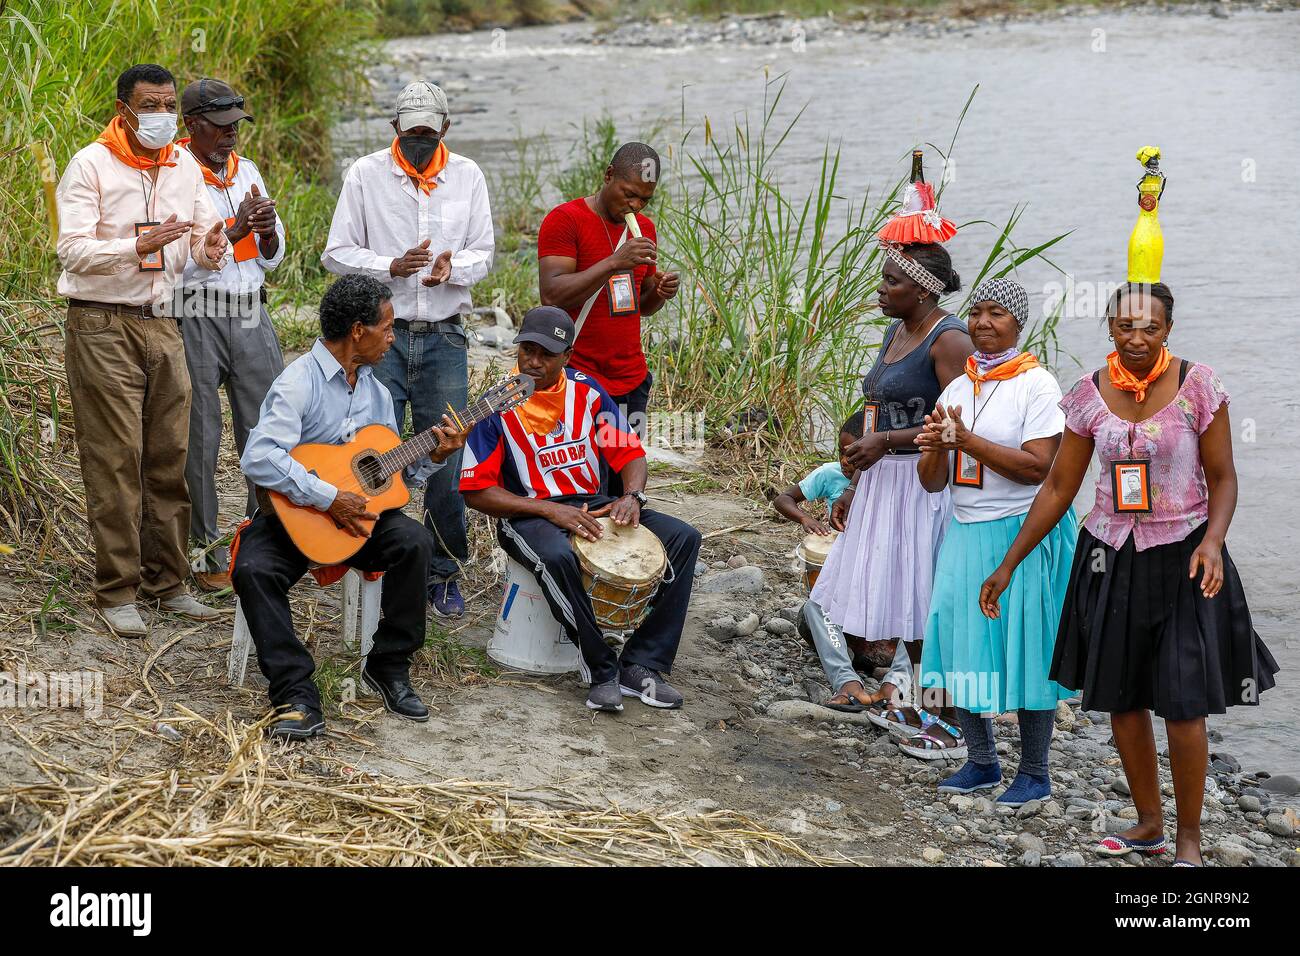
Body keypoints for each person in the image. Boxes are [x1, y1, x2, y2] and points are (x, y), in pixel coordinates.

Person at [979, 282, 1278, 866]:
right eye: (1125, 327)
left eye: (1151, 328)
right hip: (1109, 554)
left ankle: (1188, 840)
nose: (1137, 338)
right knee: (1122, 698)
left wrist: (1214, 542)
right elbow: (1062, 486)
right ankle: (1149, 822)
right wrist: (1009, 562)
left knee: (1184, 703)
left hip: (1186, 554)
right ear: (1110, 327)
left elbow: (1223, 477)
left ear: (1169, 330)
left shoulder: (1198, 387)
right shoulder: (1089, 394)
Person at [233, 275, 465, 740]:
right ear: (358, 330)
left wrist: (434, 459)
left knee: (414, 542)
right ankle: (295, 694)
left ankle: (389, 666)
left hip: (358, 522)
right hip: (294, 519)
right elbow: (258, 457)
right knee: (253, 569)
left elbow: (388, 481)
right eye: (387, 327)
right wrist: (326, 497)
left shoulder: (377, 392)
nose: (393, 337)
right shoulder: (298, 382)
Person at [55, 63, 228, 636]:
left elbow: (204, 245)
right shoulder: (91, 163)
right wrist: (137, 245)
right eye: (149, 105)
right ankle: (117, 589)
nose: (160, 115)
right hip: (102, 323)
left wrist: (211, 247)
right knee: (113, 458)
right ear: (125, 108)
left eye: (167, 105)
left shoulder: (184, 165)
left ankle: (167, 581)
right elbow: (73, 251)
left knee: (166, 456)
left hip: (163, 322)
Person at [460, 306, 701, 713]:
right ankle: (602, 667)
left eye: (546, 354)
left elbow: (630, 455)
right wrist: (549, 512)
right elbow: (475, 492)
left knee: (683, 537)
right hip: (529, 515)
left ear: (568, 356)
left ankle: (642, 664)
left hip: (594, 506)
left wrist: (631, 497)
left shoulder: (588, 392)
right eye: (527, 351)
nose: (534, 362)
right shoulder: (495, 405)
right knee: (557, 555)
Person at [322, 80, 494, 619]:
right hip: (381, 338)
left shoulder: (467, 175)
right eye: (410, 131)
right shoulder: (366, 174)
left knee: (447, 451)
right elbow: (336, 252)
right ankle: (373, 559)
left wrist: (452, 269)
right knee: (377, 448)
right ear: (395, 128)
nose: (418, 139)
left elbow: (483, 252)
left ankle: (443, 571)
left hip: (444, 333)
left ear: (444, 128)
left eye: (428, 131)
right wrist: (388, 266)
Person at [912, 279, 1076, 794]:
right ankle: (982, 761)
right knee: (960, 640)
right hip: (964, 528)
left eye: (997, 313)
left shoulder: (1037, 385)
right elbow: (933, 481)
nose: (984, 322)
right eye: (977, 312)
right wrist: (938, 445)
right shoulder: (958, 388)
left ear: (1017, 323)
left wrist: (966, 439)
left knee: (1025, 646)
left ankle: (1035, 772)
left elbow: (1038, 468)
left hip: (1020, 531)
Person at [808, 241, 972, 724]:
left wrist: (887, 441)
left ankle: (940, 714)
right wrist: (855, 484)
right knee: (898, 592)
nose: (881, 289)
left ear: (923, 291)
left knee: (923, 597)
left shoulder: (949, 340)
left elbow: (959, 425)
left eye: (892, 282)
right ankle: (919, 704)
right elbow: (876, 408)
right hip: (884, 481)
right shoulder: (896, 330)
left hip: (922, 482)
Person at [178, 77, 286, 591]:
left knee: (267, 427)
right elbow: (177, 267)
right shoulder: (173, 173)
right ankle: (203, 554)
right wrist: (238, 230)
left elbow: (275, 254)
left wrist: (266, 233)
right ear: (192, 125)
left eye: (235, 127)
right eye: (219, 128)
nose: (229, 137)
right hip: (194, 311)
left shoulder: (249, 171)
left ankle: (259, 540)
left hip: (250, 310)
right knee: (200, 436)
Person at [537, 142, 680, 498]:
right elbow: (553, 294)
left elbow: (639, 305)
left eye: (645, 199)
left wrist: (658, 292)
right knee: (580, 480)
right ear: (608, 175)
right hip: (579, 377)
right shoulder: (565, 219)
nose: (635, 205)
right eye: (629, 193)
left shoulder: (643, 227)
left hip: (630, 380)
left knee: (621, 480)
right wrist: (615, 261)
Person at [772, 411, 863, 535]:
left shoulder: (883, 478)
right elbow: (783, 499)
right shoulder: (829, 474)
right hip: (839, 543)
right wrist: (805, 518)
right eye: (841, 452)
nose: (844, 461)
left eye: (851, 454)